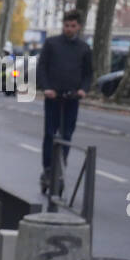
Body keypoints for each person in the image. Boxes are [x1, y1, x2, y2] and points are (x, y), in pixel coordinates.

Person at [36, 11, 93, 193]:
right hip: (53, 96)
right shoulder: (52, 44)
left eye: (73, 26)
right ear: (63, 26)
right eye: (67, 26)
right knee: (50, 134)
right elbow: (42, 67)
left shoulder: (84, 48)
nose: (69, 29)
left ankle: (61, 167)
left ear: (78, 27)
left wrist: (83, 89)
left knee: (67, 134)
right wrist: (46, 88)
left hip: (72, 97)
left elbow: (88, 72)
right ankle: (48, 168)